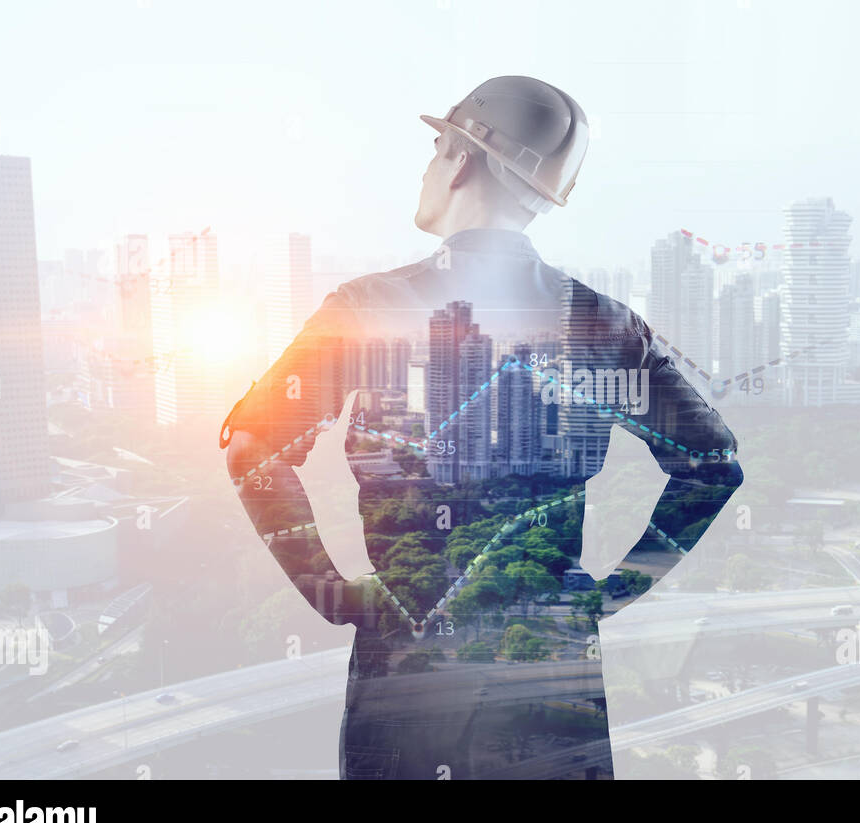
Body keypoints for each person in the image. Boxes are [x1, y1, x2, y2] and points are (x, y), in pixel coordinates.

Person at [221, 75, 744, 779]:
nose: (429, 165)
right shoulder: (604, 322)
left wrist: (332, 590)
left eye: (437, 147)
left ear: (461, 159)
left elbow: (256, 447)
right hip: (554, 675)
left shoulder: (365, 309)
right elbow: (712, 464)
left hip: (408, 668)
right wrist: (609, 592)